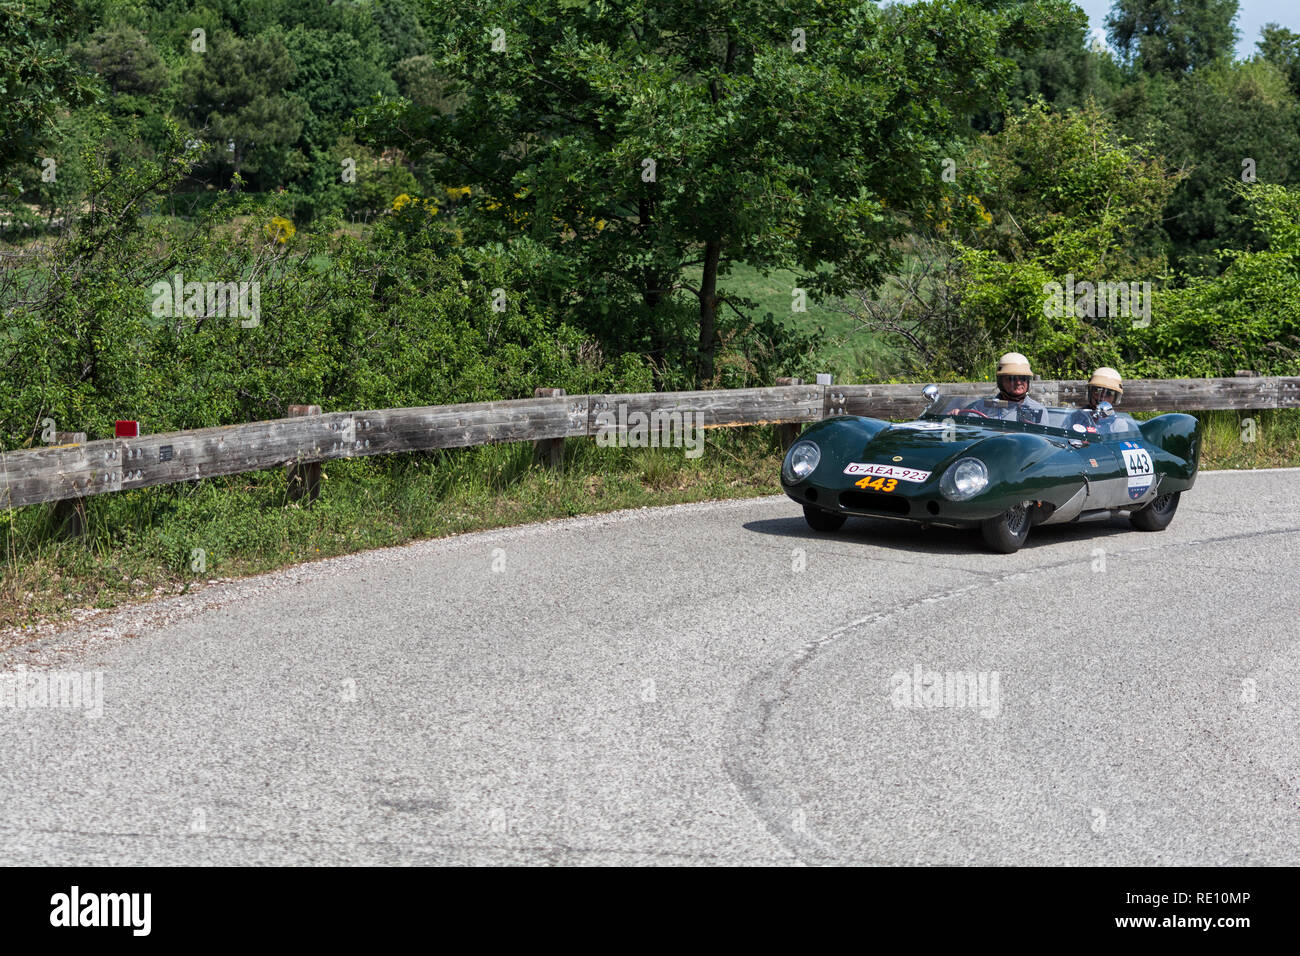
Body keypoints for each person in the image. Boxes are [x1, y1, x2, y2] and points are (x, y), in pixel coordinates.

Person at [955, 352, 1046, 423]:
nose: (1018, 382)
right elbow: (970, 431)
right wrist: (956, 418)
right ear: (1001, 381)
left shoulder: (1038, 410)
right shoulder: (983, 406)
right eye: (1012, 378)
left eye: (1023, 378)